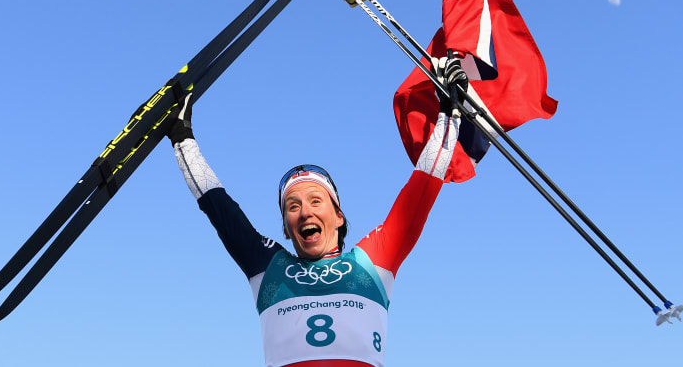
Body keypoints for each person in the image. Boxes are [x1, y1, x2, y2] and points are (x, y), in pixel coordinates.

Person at [169, 57, 463, 367]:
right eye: (292, 206)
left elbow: (422, 188)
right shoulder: (269, 267)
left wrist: (449, 113)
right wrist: (181, 137)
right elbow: (218, 207)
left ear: (339, 216)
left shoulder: (371, 262)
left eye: (315, 201)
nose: (304, 212)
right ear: (286, 229)